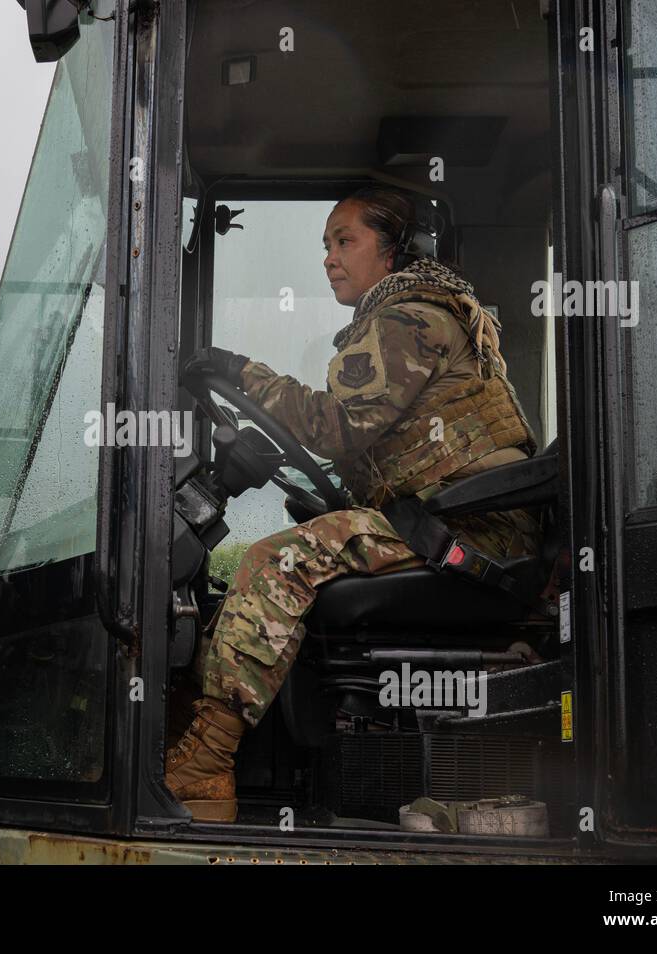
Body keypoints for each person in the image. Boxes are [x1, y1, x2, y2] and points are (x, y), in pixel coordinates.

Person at [166, 185, 542, 822]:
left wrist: (243, 371)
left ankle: (205, 767)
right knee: (270, 564)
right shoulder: (412, 316)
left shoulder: (408, 318)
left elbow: (333, 426)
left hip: (473, 535)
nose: (330, 259)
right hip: (456, 523)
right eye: (325, 246)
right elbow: (354, 446)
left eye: (346, 241)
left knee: (276, 564)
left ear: (395, 252)